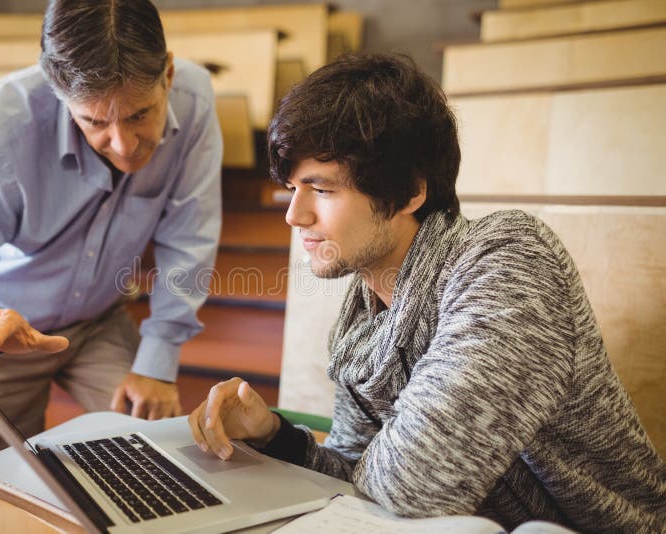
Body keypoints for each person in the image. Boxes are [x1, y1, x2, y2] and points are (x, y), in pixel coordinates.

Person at [188, 53, 666, 533]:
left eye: (323, 189)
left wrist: (368, 471)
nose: (294, 215)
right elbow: (356, 481)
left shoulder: (509, 258)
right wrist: (273, 435)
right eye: (293, 188)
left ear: (409, 192)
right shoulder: (363, 325)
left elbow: (412, 488)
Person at [0, 0, 222, 531]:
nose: (123, 146)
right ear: (59, 94)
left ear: (167, 72)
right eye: (95, 121)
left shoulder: (196, 100)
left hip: (97, 322)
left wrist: (158, 358)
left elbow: (189, 239)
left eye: (140, 114)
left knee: (156, 461)